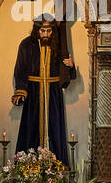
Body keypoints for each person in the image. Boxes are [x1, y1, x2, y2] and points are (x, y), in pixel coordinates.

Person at [12, 16, 76, 164]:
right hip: (33, 92)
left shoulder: (59, 45)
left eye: (49, 31)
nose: (46, 34)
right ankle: (28, 165)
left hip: (53, 93)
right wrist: (20, 90)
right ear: (37, 30)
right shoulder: (27, 44)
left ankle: (55, 166)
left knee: (54, 127)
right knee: (31, 128)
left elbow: (68, 75)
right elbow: (20, 69)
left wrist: (71, 66)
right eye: (43, 30)